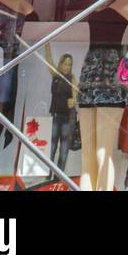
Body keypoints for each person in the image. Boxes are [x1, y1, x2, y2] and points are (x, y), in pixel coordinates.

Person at [44, 46, 78, 178]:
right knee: (52, 148)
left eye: (69, 64)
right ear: (61, 63)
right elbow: (48, 60)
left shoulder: (72, 78)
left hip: (67, 118)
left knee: (63, 150)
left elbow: (76, 95)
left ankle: (58, 177)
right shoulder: (56, 75)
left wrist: (74, 100)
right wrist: (47, 46)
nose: (67, 67)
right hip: (56, 116)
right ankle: (48, 173)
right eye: (65, 64)